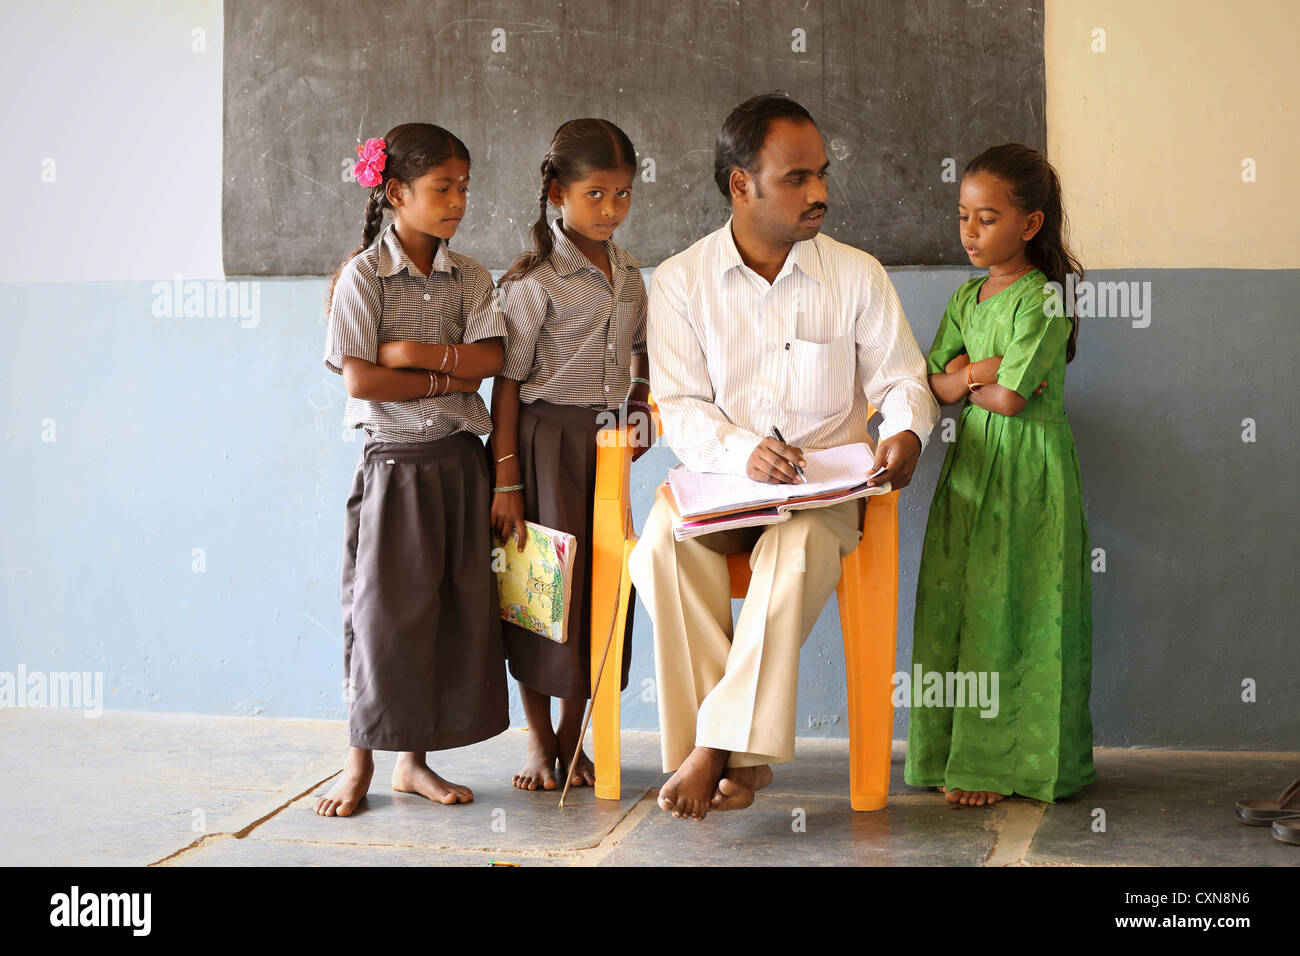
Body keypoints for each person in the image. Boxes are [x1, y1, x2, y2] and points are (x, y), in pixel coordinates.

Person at [628, 94, 939, 821]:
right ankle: (738, 755)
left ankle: (712, 752)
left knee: (795, 548)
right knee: (659, 549)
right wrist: (744, 452)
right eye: (797, 178)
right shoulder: (679, 282)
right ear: (741, 184)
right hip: (721, 492)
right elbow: (678, 406)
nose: (820, 193)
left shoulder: (856, 274)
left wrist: (906, 432)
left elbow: (901, 382)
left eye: (822, 174)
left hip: (824, 499)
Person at [314, 123, 510, 817]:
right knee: (382, 619)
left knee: (445, 612)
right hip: (395, 467)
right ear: (395, 192)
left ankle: (414, 764)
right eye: (442, 188)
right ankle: (359, 760)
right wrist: (441, 375)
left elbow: (490, 361)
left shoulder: (474, 276)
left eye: (463, 187)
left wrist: (412, 355)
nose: (458, 200)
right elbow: (362, 381)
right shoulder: (361, 277)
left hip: (461, 464)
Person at [904, 142, 1095, 807]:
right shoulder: (966, 295)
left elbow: (1010, 398)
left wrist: (969, 376)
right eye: (963, 216)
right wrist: (977, 374)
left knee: (1020, 605)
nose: (970, 232)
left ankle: (1003, 765)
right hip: (974, 468)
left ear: (1031, 225)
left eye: (987, 218)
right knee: (962, 601)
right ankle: (950, 752)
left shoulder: (1041, 300)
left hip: (1029, 470)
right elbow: (932, 381)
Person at [488, 119, 654, 792]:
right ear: (557, 193)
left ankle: (573, 739)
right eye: (595, 195)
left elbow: (641, 354)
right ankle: (538, 743)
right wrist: (507, 482)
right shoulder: (532, 283)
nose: (610, 210)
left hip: (605, 452)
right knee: (538, 593)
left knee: (599, 596)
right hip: (542, 446)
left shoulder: (632, 275)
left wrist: (638, 404)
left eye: (622, 194)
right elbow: (506, 386)